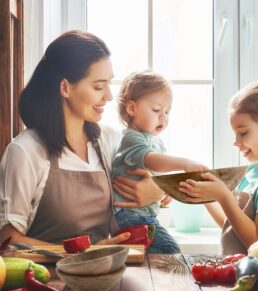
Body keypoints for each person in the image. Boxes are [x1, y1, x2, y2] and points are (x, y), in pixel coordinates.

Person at [0, 30, 167, 246]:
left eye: (109, 84)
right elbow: (7, 238)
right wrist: (78, 254)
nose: (108, 96)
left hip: (103, 273)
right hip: (46, 275)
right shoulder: (26, 151)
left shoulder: (110, 141)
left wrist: (158, 190)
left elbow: (146, 184)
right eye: (98, 86)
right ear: (65, 87)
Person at [178, 83, 258, 254]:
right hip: (239, 273)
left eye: (243, 133)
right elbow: (231, 228)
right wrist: (207, 196)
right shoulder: (253, 172)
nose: (236, 141)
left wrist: (224, 195)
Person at [111, 70, 207, 253]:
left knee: (160, 253)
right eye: (156, 110)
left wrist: (165, 188)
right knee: (169, 250)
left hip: (142, 214)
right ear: (132, 109)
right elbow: (151, 160)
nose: (163, 117)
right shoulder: (131, 137)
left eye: (167, 111)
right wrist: (184, 163)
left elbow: (156, 171)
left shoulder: (156, 141)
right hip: (129, 215)